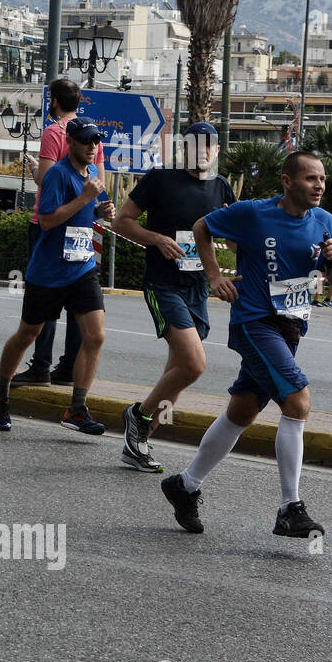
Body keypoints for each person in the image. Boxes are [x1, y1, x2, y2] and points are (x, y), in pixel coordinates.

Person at [161, 152, 332, 538]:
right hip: (255, 321)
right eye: (311, 178)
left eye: (323, 179)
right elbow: (202, 227)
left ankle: (185, 485)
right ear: (287, 181)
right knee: (297, 400)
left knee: (243, 410)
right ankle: (289, 508)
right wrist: (214, 277)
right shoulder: (253, 213)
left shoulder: (326, 222)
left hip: (292, 327)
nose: (319, 186)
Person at [113, 122, 235, 473]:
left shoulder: (220, 187)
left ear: (216, 151)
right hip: (163, 284)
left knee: (178, 369)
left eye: (209, 146)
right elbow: (123, 222)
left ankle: (138, 443)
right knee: (194, 364)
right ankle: (137, 415)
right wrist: (156, 239)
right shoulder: (160, 178)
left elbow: (238, 233)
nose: (203, 151)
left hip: (197, 288)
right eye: (196, 144)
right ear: (184, 148)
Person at [0, 116, 114, 435]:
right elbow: (46, 221)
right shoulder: (57, 175)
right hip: (48, 272)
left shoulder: (94, 173)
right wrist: (86, 198)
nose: (91, 146)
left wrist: (101, 211)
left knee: (96, 335)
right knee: (28, 334)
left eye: (95, 140)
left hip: (81, 267)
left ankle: (77, 409)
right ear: (69, 142)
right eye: (86, 140)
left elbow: (87, 212)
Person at [11, 79, 106, 388]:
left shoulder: (55, 133)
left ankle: (41, 365)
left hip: (50, 225)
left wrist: (35, 167)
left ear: (53, 102)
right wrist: (96, 206)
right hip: (82, 228)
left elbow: (48, 180)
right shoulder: (94, 138)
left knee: (46, 299)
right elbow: (97, 184)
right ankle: (69, 367)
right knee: (81, 303)